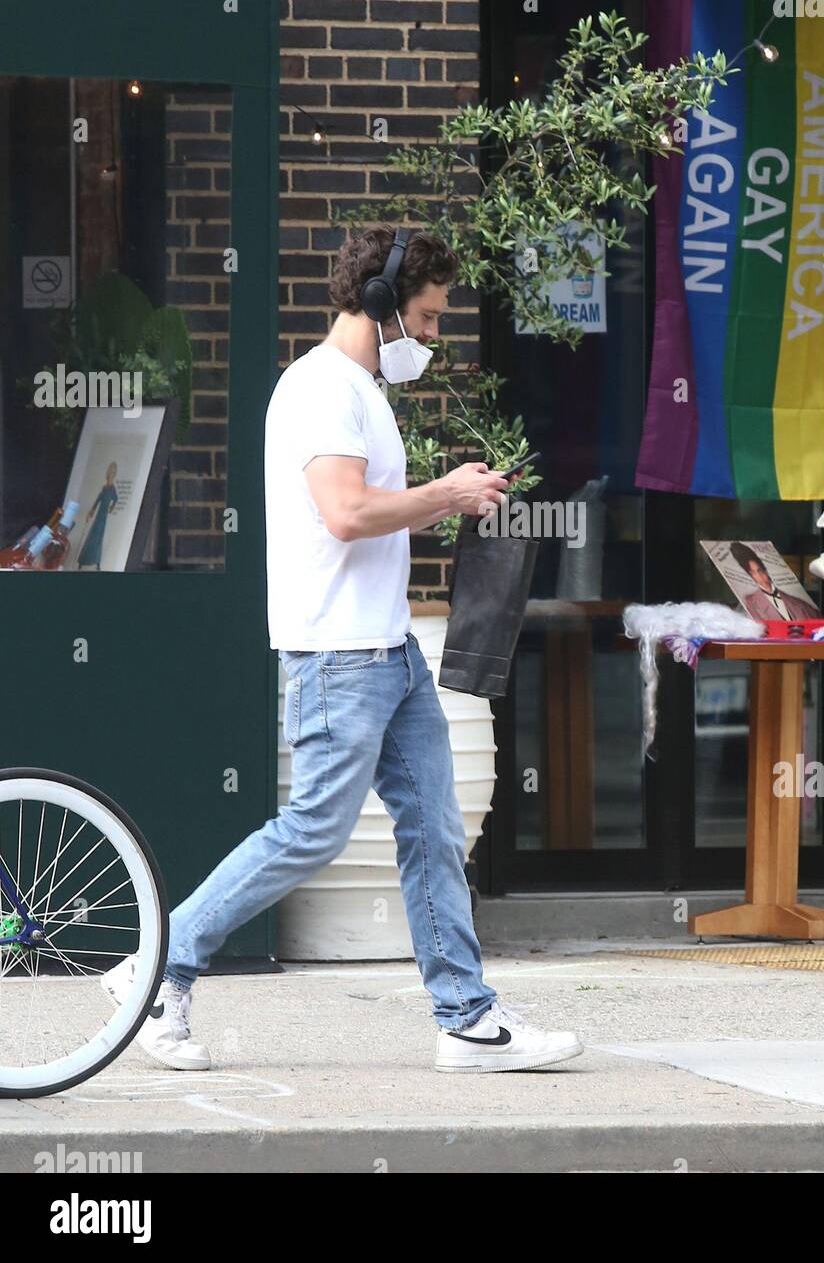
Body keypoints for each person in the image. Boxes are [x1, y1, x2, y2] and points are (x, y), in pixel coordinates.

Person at [102, 223, 584, 1075]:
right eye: (429, 318)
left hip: (386, 651)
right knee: (312, 831)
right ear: (379, 302)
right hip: (338, 656)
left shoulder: (358, 390)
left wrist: (449, 497)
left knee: (433, 828)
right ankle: (158, 966)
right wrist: (446, 492)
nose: (434, 337)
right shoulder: (321, 389)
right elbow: (346, 514)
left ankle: (467, 1019)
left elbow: (366, 513)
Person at [729, 542, 819, 622]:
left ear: (765, 569)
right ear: (750, 575)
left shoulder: (797, 602)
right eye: (753, 573)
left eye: (760, 570)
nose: (760, 575)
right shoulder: (750, 603)